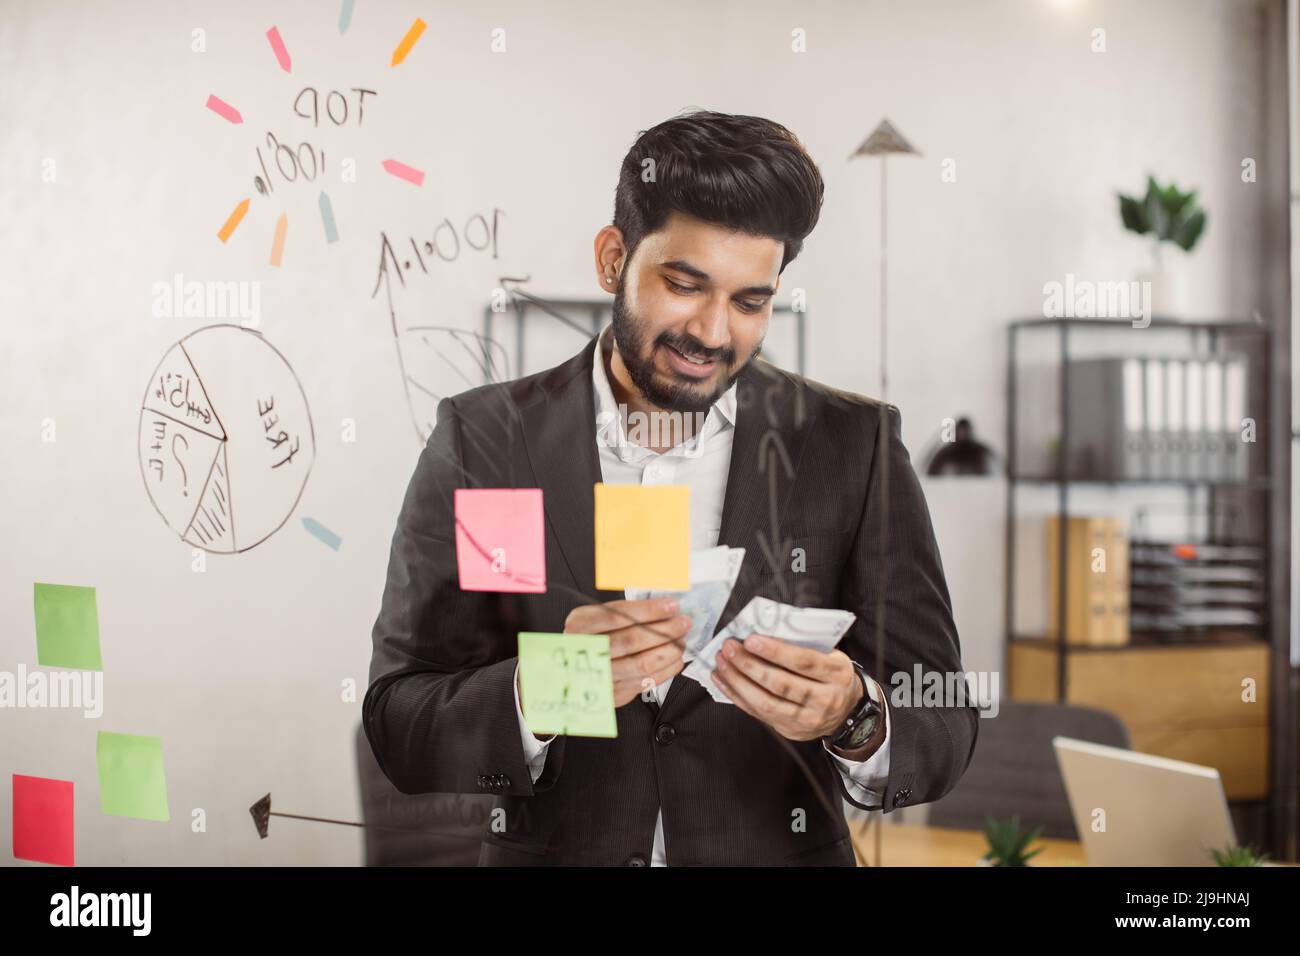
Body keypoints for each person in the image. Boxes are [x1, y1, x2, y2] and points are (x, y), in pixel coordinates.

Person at [364, 109, 977, 866]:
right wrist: (542, 692)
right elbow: (400, 720)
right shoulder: (489, 442)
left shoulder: (853, 446)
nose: (714, 333)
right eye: (685, 286)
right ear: (612, 257)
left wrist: (855, 715)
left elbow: (943, 718)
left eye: (751, 301)